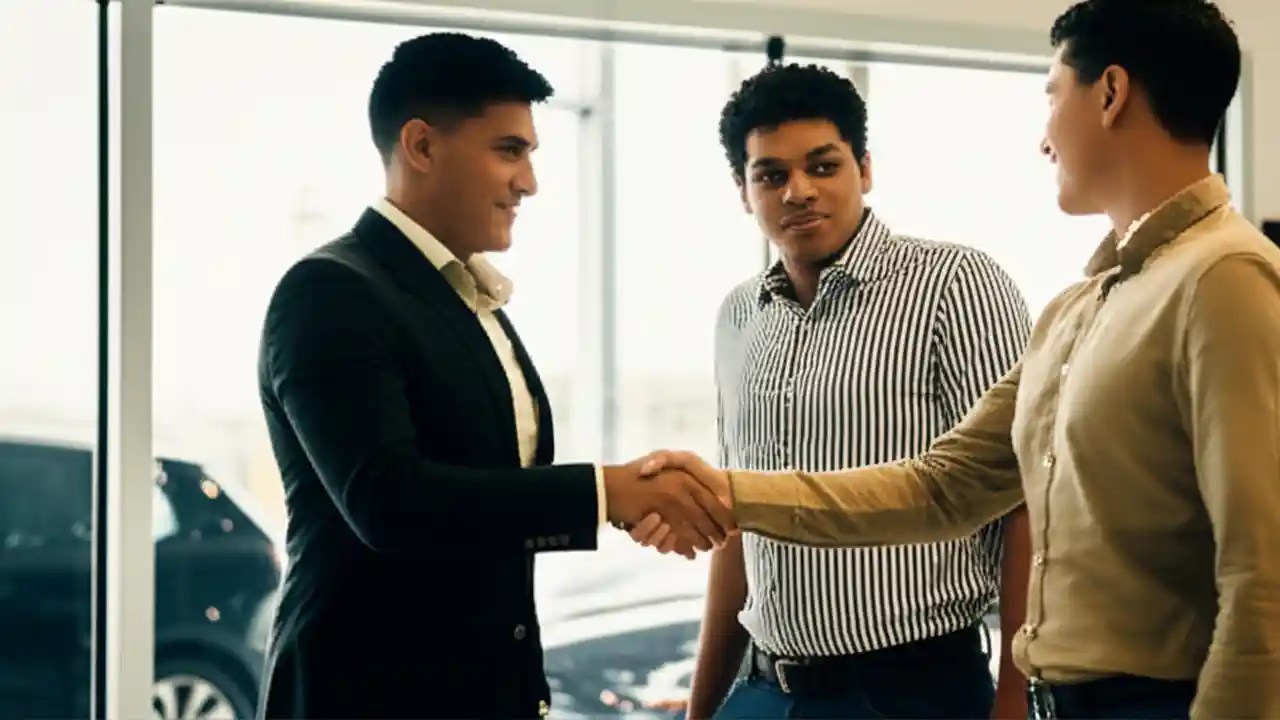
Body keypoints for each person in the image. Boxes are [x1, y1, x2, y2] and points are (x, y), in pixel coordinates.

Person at [651, 1, 1280, 718]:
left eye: (1051, 95)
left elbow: (1265, 579)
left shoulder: (1226, 277)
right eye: (769, 176)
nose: (1044, 138)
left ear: (1109, 94)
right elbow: (943, 488)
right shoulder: (1082, 307)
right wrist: (729, 493)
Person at [254, 32, 732, 720]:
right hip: (369, 694)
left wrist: (626, 501)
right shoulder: (329, 291)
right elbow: (391, 503)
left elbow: (489, 495)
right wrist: (605, 495)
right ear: (421, 146)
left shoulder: (466, 295)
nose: (529, 181)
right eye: (509, 150)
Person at [634, 62, 1033, 719]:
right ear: (743, 190)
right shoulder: (739, 315)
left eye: (823, 166)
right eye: (771, 175)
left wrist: (1015, 700)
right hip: (763, 690)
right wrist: (704, 710)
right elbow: (740, 522)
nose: (798, 191)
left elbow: (1024, 501)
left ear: (864, 169)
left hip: (911, 692)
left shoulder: (955, 283)